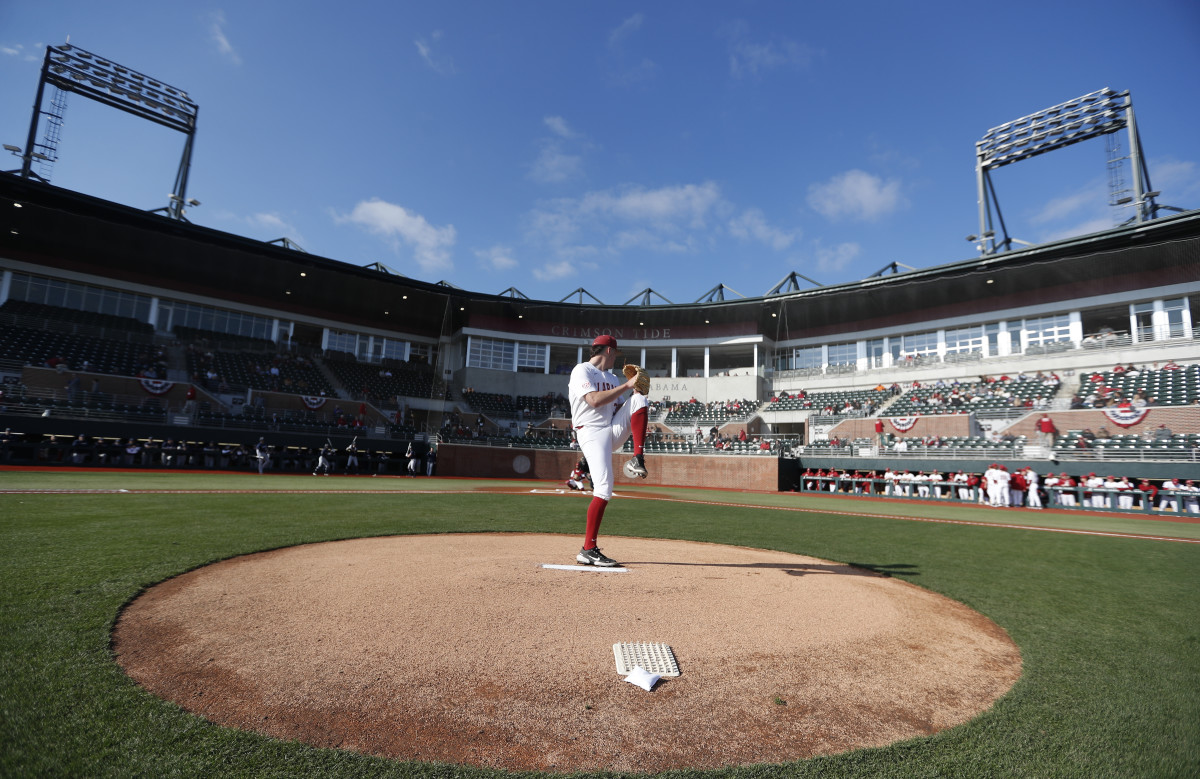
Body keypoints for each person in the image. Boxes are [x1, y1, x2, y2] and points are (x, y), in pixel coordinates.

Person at [568, 334, 649, 567]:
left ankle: (637, 457)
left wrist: (633, 391)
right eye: (617, 354)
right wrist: (627, 385)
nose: (618, 360)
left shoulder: (612, 378)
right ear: (609, 352)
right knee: (604, 488)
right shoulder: (581, 370)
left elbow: (619, 407)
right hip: (591, 432)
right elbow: (593, 400)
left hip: (610, 429)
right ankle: (588, 549)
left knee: (639, 398)